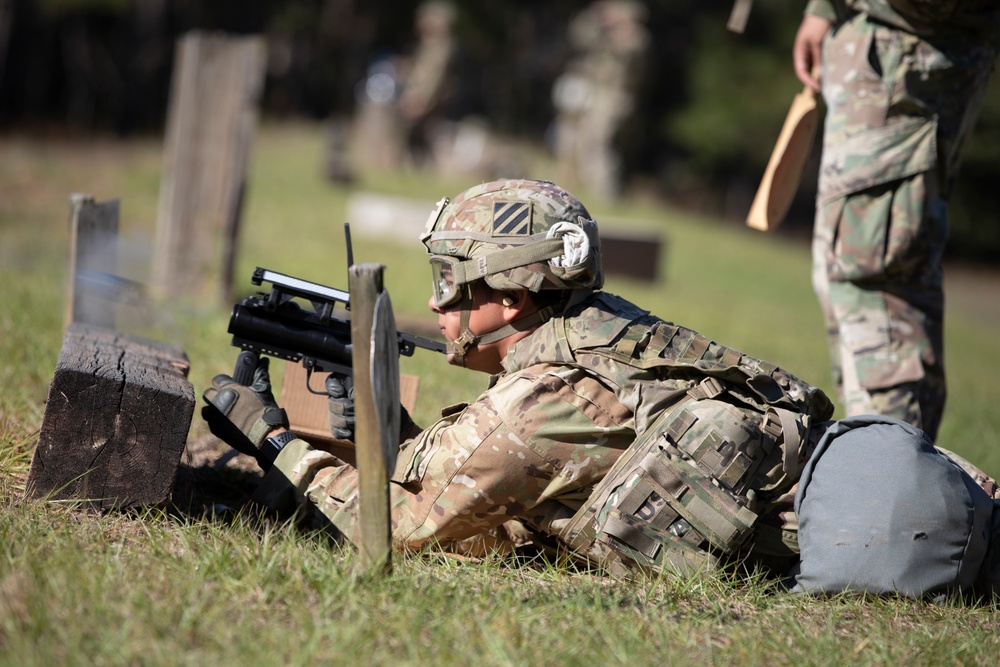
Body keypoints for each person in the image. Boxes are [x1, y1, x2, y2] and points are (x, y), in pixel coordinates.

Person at [201, 179, 999, 596]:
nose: (438, 304)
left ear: (510, 299)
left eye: (452, 283)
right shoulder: (597, 324)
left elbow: (402, 527)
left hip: (893, 534)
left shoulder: (543, 399)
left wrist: (276, 441)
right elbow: (496, 486)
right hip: (903, 481)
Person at [792, 0, 1000, 441]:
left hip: (908, 48)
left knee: (877, 281)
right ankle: (882, 474)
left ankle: (893, 480)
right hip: (880, 42)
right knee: (847, 271)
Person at [551, 1, 649, 201]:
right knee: (574, 139)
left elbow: (630, 54)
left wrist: (618, 30)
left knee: (597, 142)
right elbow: (578, 37)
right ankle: (575, 186)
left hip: (614, 96)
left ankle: (604, 192)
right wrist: (597, 18)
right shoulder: (599, 30)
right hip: (591, 90)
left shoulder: (636, 38)